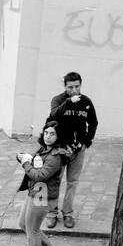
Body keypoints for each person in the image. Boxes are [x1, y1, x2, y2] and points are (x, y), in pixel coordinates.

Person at [45, 71, 98, 230]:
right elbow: (54, 115)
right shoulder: (58, 100)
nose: (74, 90)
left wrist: (86, 141)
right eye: (70, 87)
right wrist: (68, 101)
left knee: (72, 182)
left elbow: (93, 122)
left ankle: (67, 213)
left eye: (77, 86)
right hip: (59, 149)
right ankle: (51, 213)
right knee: (55, 181)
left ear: (81, 85)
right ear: (65, 86)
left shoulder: (86, 102)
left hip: (77, 150)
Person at [15, 120, 68, 246]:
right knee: (23, 224)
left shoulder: (56, 156)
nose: (48, 136)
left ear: (58, 137)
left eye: (52, 134)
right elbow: (36, 165)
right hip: (36, 192)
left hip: (42, 197)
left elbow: (40, 176)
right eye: (46, 133)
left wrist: (26, 163)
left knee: (33, 229)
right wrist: (25, 157)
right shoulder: (44, 149)